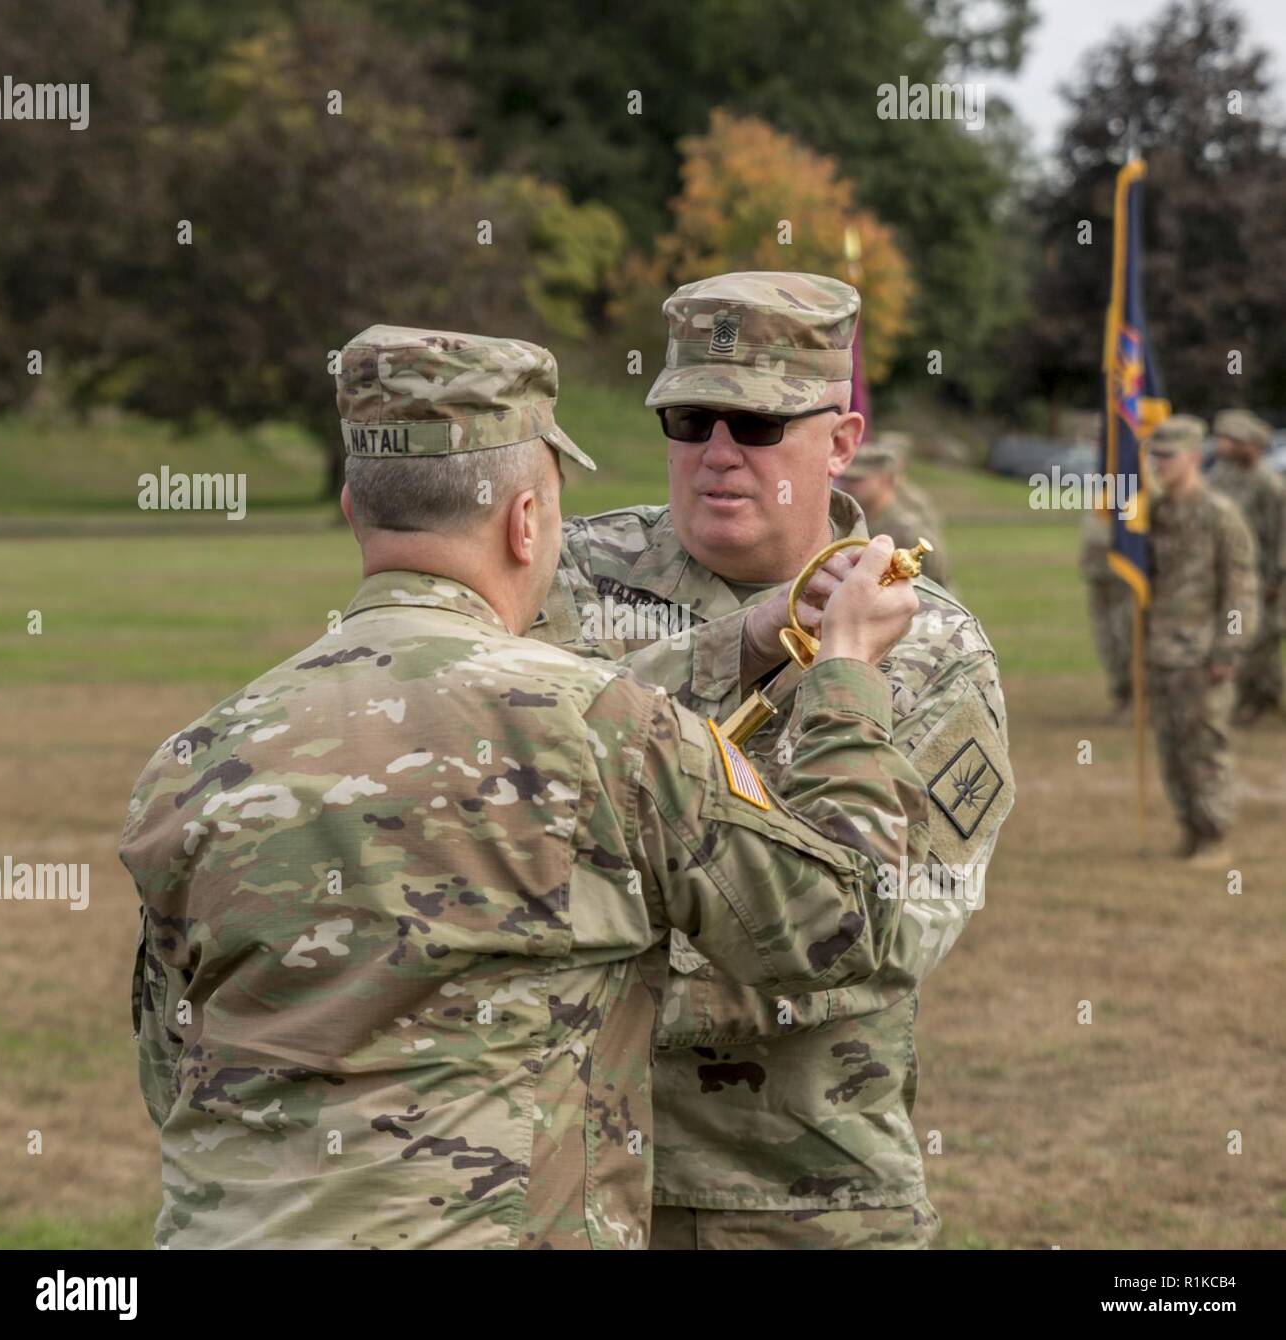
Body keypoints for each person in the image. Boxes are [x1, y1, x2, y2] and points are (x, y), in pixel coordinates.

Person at [117, 325, 932, 1250]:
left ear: (355, 510)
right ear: (525, 522)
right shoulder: (604, 730)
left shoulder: (193, 759)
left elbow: (169, 1064)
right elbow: (838, 924)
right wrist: (849, 672)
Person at [531, 272, 1014, 1249]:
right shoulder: (565, 574)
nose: (714, 456)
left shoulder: (928, 646)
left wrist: (613, 935)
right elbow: (487, 772)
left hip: (797, 1189)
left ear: (839, 439)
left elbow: (884, 933)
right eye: (688, 419)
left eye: (752, 425)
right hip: (560, 1171)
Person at [1146, 414, 1259, 865]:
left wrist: (1228, 649)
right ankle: (1190, 829)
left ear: (1194, 457)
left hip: (1203, 653)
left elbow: (1240, 590)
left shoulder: (1219, 515)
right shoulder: (1154, 514)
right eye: (1155, 456)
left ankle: (1216, 837)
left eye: (1168, 456)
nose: (1159, 464)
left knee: (1205, 748)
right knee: (1172, 749)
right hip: (1162, 651)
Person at [1206, 409, 1284, 723]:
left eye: (1231, 441)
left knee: (1261, 639)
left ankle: (1263, 699)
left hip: (1264, 574)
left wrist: (1276, 579)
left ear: (1251, 445)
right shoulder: (1221, 476)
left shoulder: (1270, 485)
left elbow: (1281, 534)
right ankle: (1243, 699)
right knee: (1232, 634)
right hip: (1228, 571)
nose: (1223, 446)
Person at [839, 431, 951, 589]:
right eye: (845, 478)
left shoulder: (910, 530)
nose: (847, 485)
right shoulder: (847, 522)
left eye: (857, 479)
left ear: (886, 479)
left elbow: (937, 589)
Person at [1079, 509, 1134, 713]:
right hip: (1096, 569)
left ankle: (1136, 697)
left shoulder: (1131, 481)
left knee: (1126, 634)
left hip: (1124, 570)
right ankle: (1121, 693)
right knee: (1105, 636)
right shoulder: (1101, 483)